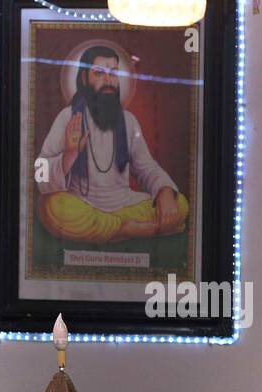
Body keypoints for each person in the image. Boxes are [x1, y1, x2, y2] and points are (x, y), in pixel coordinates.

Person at [36, 45, 188, 244]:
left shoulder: (128, 120)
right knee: (51, 207)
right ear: (84, 79)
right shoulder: (68, 117)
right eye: (99, 73)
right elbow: (41, 173)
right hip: (82, 205)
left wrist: (165, 191)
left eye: (113, 74)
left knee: (180, 204)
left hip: (123, 204)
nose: (108, 81)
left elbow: (146, 167)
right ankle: (124, 228)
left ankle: (115, 228)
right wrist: (70, 154)